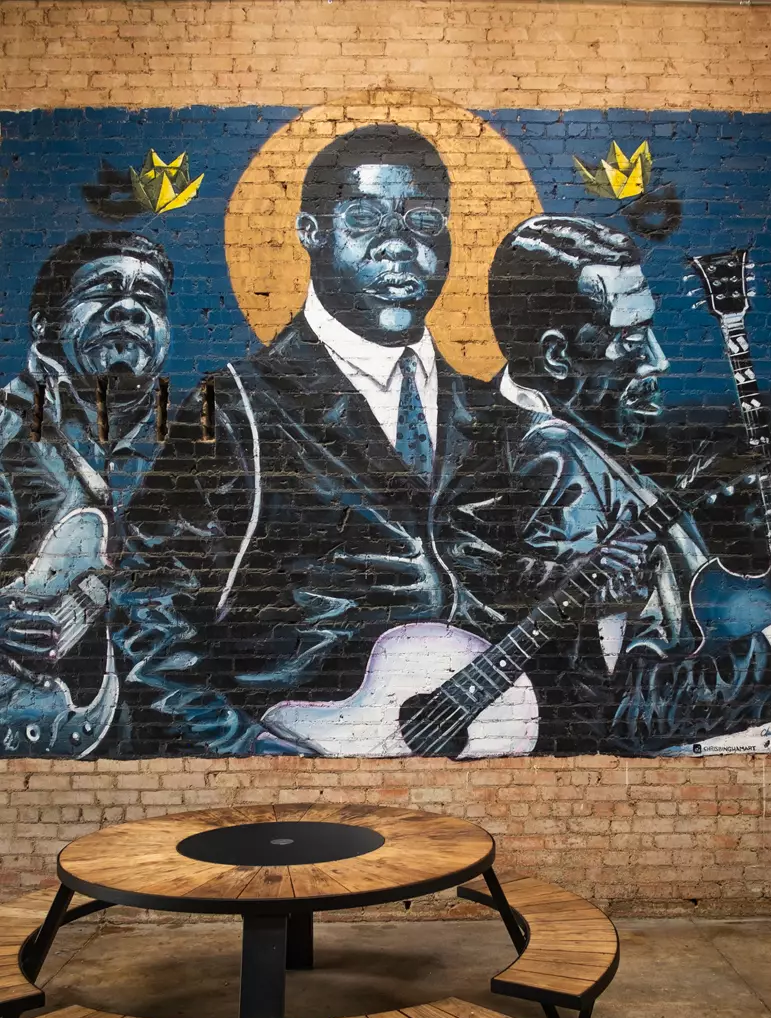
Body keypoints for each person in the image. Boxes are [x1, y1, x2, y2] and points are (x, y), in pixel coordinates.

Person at [113, 125, 637, 756]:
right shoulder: (239, 408)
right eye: (364, 218)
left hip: (481, 752)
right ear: (311, 233)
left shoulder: (496, 419)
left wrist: (574, 590)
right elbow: (148, 606)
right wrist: (246, 751)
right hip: (306, 754)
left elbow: (490, 583)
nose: (398, 246)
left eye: (423, 220)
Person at [487, 213, 771, 755]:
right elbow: (612, 711)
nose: (660, 359)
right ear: (558, 356)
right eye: (631, 341)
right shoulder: (554, 463)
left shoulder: (571, 438)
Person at [0, 231, 171, 755]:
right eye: (104, 291)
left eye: (150, 300)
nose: (132, 311)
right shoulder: (8, 426)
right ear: (46, 324)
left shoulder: (196, 437)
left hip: (154, 728)